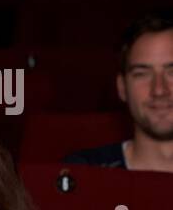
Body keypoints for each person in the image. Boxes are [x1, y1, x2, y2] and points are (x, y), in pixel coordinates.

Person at [65, 12, 173, 172]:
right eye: (141, 74)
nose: (159, 90)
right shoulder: (82, 175)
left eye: (172, 72)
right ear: (122, 87)